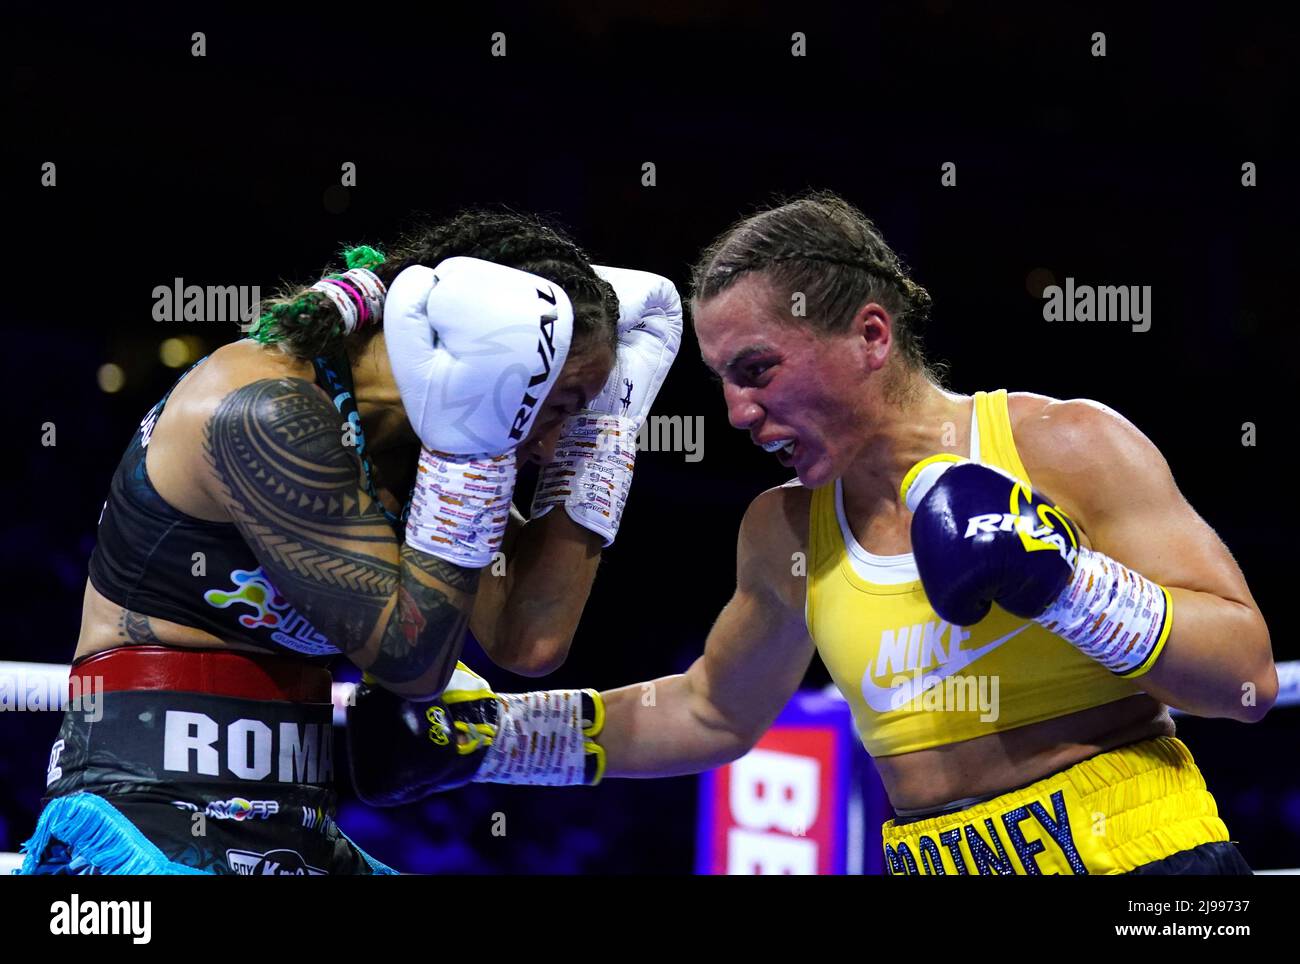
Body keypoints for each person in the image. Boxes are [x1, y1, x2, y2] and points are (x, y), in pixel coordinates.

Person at [356, 192, 1278, 875]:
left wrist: (1067, 586)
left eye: (757, 369)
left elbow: (1242, 681)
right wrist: (494, 738)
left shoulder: (1059, 444)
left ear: (871, 336)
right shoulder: (786, 529)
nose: (738, 411)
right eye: (720, 380)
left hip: (1149, 868)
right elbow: (714, 709)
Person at [19, 208, 683, 874]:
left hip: (295, 823)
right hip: (146, 815)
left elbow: (529, 641)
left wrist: (604, 438)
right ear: (493, 359)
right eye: (563, 406)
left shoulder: (433, 440)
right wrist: (473, 452)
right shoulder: (265, 409)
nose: (546, 448)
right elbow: (410, 665)